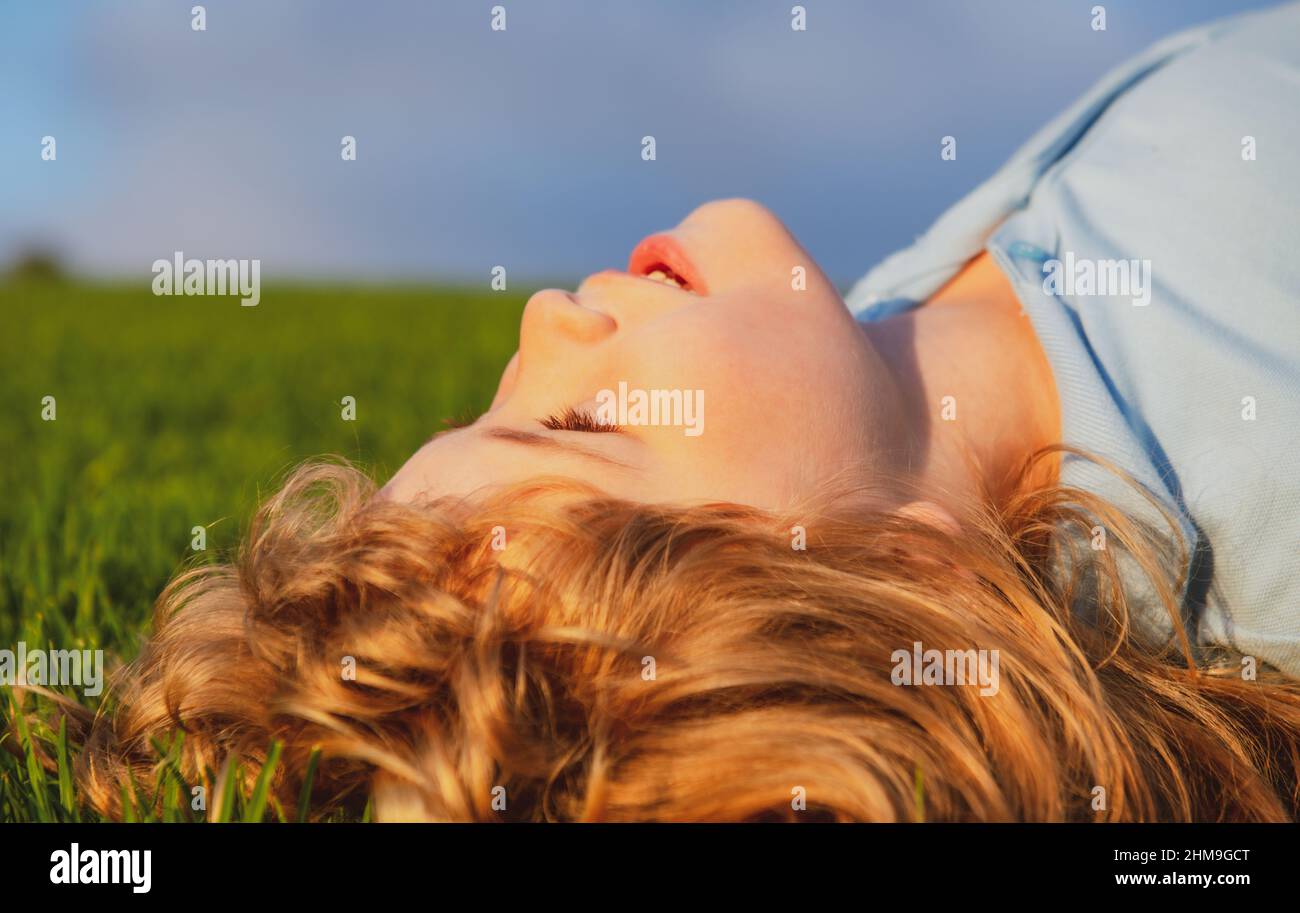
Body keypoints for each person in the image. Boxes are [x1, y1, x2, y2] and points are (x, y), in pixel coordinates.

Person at [73, 4, 1300, 821]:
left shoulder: (887, 347)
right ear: (914, 586)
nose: (543, 322)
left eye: (490, 403)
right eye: (581, 426)